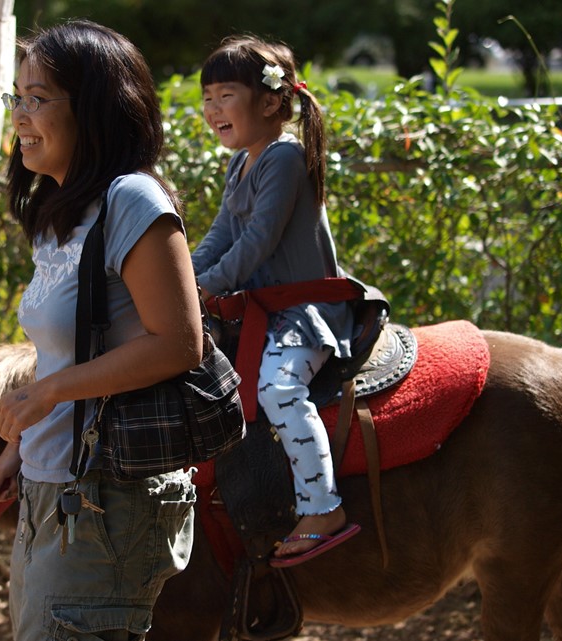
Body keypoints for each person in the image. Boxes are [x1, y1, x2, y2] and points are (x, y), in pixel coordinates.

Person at [0, 20, 202, 641]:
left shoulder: (131, 201)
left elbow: (179, 342)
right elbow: (67, 354)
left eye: (38, 98)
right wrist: (18, 448)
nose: (20, 116)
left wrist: (45, 396)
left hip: (108, 500)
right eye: (16, 98)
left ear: (97, 107)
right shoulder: (62, 212)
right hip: (49, 486)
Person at [192, 35, 361, 567]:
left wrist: (209, 288)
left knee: (277, 390)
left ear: (269, 102)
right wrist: (179, 280)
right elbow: (221, 235)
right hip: (266, 310)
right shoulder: (241, 162)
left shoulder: (284, 156)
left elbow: (257, 241)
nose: (213, 108)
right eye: (208, 98)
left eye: (225, 95)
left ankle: (321, 506)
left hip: (303, 312)